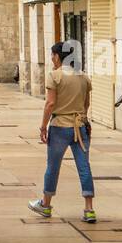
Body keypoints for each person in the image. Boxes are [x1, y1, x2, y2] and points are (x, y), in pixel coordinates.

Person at [29, 42, 96, 224]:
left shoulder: (55, 76)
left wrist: (43, 126)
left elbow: (50, 104)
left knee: (53, 166)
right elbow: (86, 104)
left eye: (52, 55)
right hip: (80, 126)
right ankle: (89, 209)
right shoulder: (83, 77)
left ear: (58, 56)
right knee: (84, 166)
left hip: (59, 127)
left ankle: (46, 204)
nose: (51, 59)